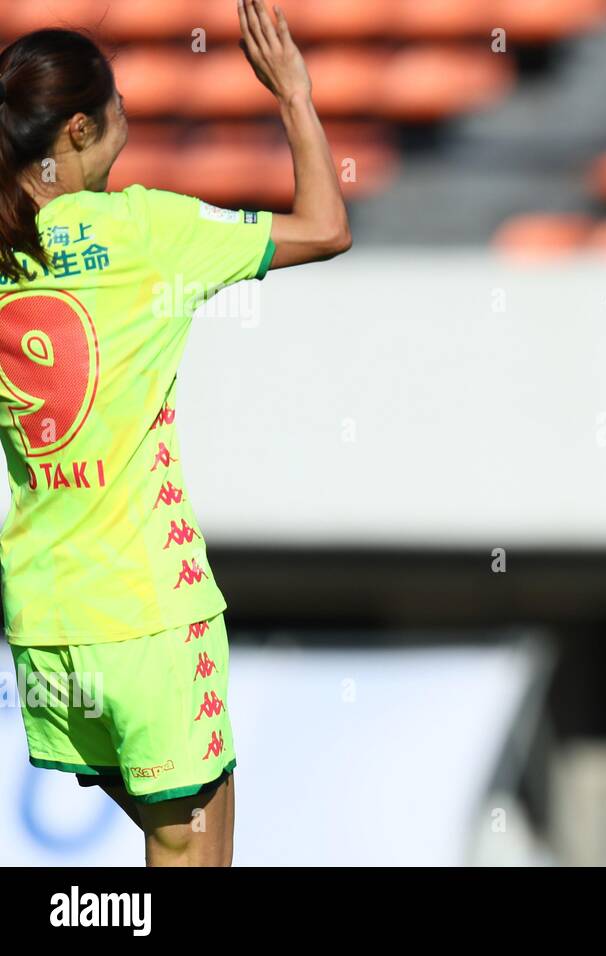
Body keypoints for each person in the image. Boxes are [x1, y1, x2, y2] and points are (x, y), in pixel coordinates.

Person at [0, 0, 349, 866]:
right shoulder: (146, 232)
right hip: (149, 604)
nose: (130, 116)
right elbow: (326, 227)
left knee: (202, 832)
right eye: (117, 104)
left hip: (43, 610)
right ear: (79, 128)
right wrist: (296, 97)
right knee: (192, 848)